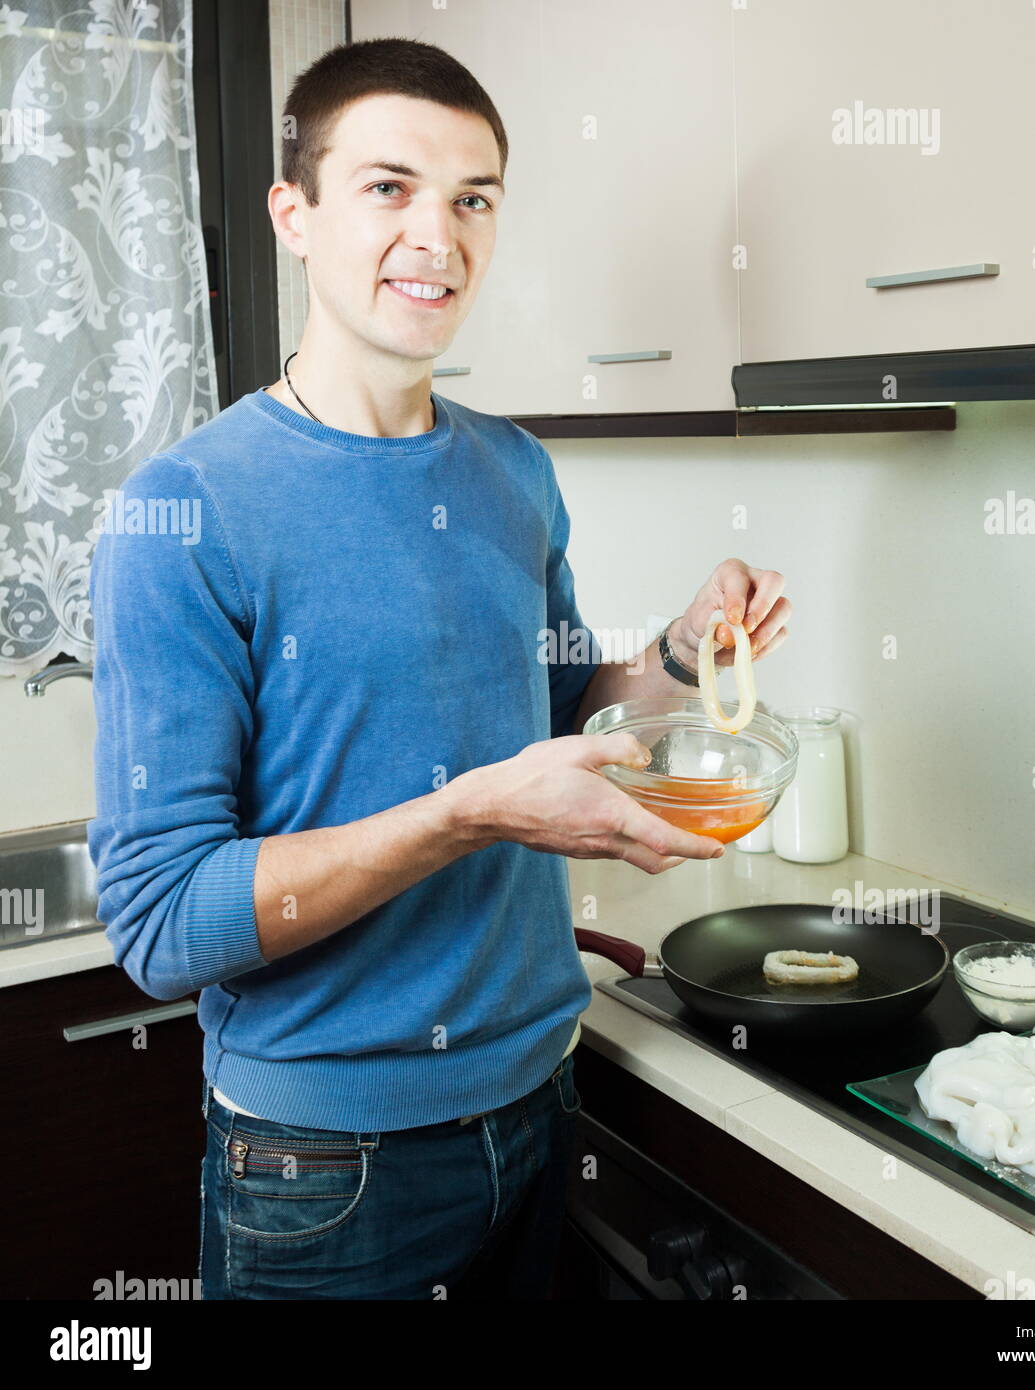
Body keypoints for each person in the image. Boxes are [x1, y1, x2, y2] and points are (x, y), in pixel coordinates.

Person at [87, 35, 790, 1300]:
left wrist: (684, 650)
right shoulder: (182, 512)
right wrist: (469, 813)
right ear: (292, 213)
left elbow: (568, 712)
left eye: (473, 199)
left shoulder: (513, 470)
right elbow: (159, 923)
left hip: (541, 1099)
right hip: (323, 1170)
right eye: (389, 188)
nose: (439, 235)